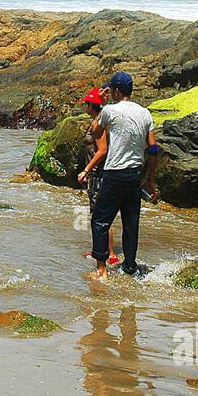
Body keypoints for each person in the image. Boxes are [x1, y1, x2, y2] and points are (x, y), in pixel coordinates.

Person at [88, 71, 159, 280]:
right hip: (135, 176)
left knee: (100, 220)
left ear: (116, 91)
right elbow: (153, 149)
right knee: (131, 222)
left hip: (114, 173)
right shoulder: (145, 113)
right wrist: (151, 179)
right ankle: (129, 267)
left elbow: (94, 131)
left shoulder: (110, 110)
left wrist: (101, 103)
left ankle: (101, 270)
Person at [75, 87, 118, 266]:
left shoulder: (98, 124)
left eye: (86, 104)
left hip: (98, 173)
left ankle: (109, 254)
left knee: (99, 215)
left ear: (91, 105)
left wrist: (86, 170)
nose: (84, 106)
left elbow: (102, 150)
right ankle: (100, 250)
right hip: (101, 172)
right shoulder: (102, 120)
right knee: (100, 214)